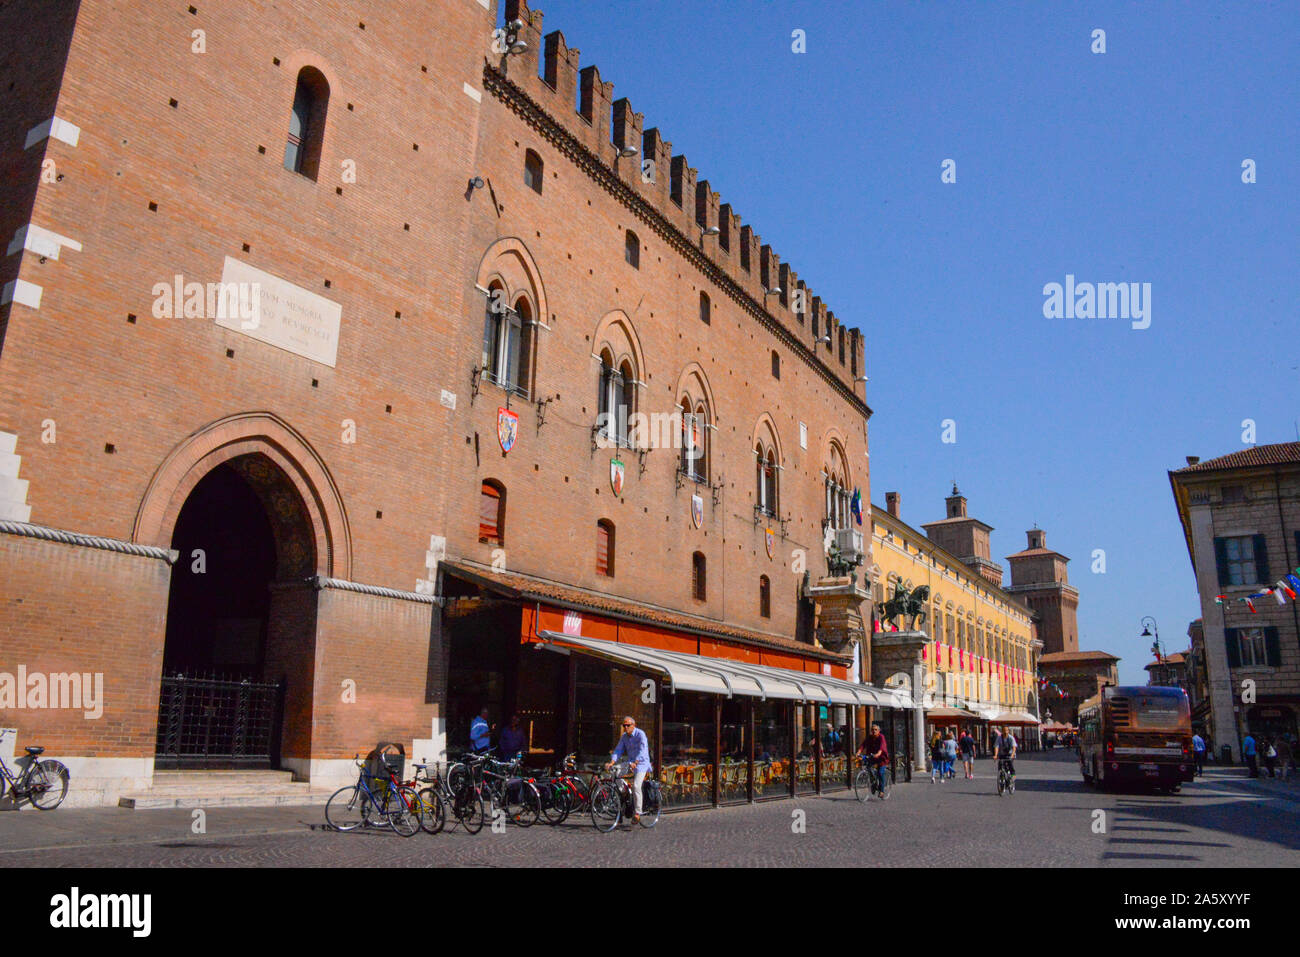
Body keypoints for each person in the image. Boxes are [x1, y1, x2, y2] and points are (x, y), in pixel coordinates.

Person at [607, 715, 652, 824]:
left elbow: (643, 749)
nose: (626, 727)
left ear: (634, 725)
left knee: (636, 785)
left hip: (641, 763)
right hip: (630, 762)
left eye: (628, 725)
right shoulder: (624, 737)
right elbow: (618, 750)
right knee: (615, 773)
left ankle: (637, 813)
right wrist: (612, 762)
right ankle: (625, 793)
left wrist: (636, 761)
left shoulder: (640, 734)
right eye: (624, 725)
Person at [857, 723, 889, 796]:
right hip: (872, 756)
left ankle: (882, 791)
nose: (874, 731)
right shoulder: (870, 737)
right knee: (868, 768)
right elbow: (863, 745)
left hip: (881, 758)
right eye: (872, 730)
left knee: (880, 773)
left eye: (875, 730)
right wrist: (858, 752)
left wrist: (878, 754)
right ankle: (873, 783)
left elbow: (882, 747)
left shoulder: (881, 737)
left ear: (879, 731)